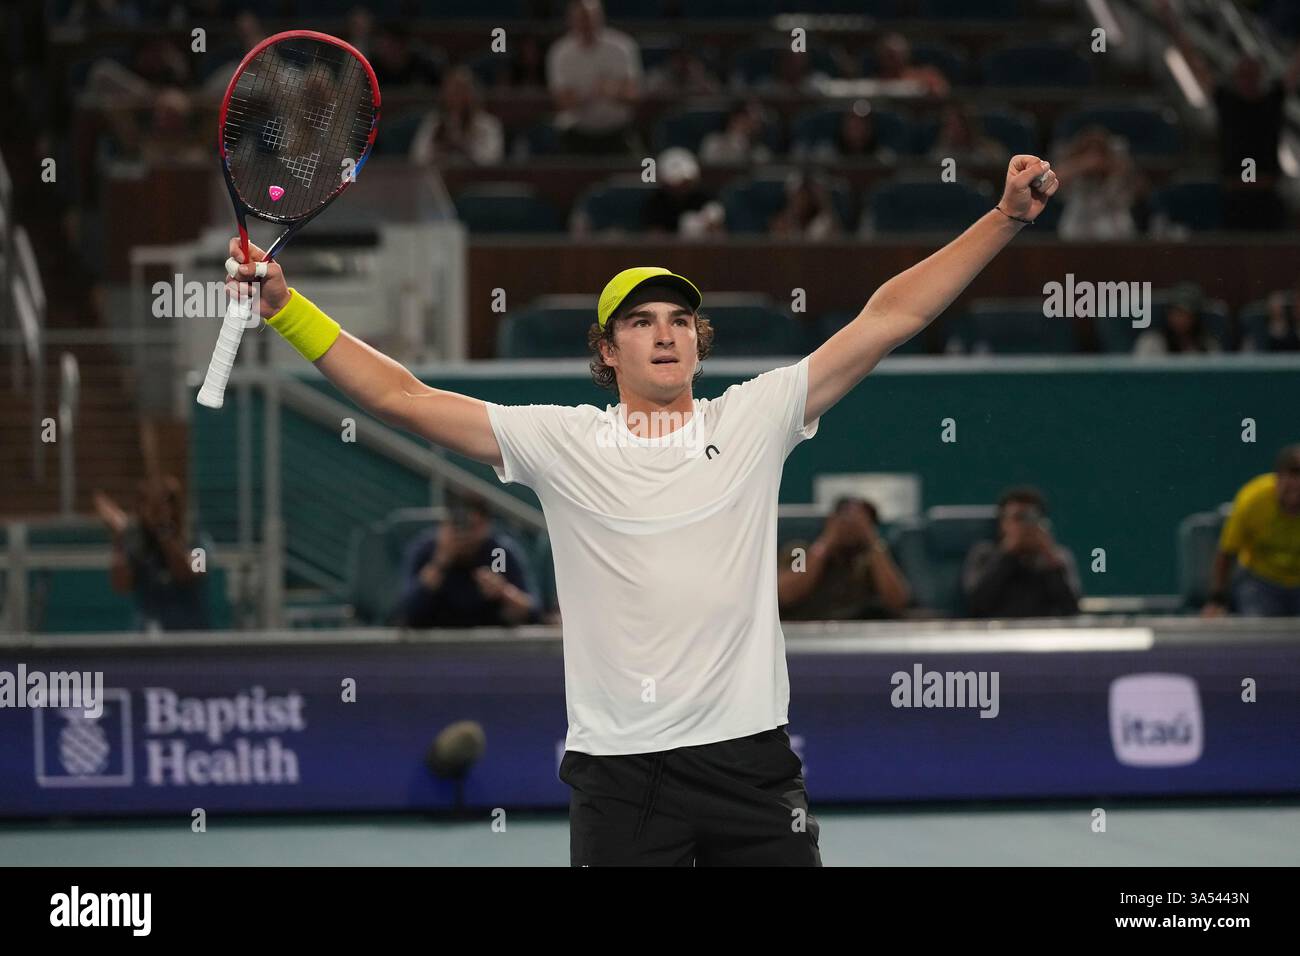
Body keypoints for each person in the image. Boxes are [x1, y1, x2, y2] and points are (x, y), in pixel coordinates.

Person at [222, 151, 1059, 866]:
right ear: (606, 348)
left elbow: (890, 316)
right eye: (641, 321)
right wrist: (287, 310)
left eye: (681, 321)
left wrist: (1003, 217)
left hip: (752, 769)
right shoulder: (562, 442)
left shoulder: (756, 417)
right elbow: (402, 397)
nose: (666, 334)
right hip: (622, 777)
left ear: (699, 341)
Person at [1157, 0, 1300, 230]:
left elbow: (1294, 70)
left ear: (1261, 76)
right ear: (1236, 78)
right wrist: (1172, 25)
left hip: (1266, 194)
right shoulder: (1227, 102)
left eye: (1252, 74)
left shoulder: (1272, 101)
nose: (1247, 80)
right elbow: (1195, 64)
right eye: (1243, 74)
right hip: (1235, 195)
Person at [395, 493, 539, 628]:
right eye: (456, 525)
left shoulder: (499, 553)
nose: (463, 535)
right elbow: (407, 613)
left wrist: (503, 592)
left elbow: (532, 612)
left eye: (471, 526)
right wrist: (440, 562)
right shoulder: (425, 551)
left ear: (485, 525)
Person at [93, 477, 210, 632]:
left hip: (189, 635)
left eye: (166, 503)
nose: (155, 511)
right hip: (147, 635)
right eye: (146, 503)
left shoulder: (196, 538)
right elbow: (120, 585)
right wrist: (119, 539)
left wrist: (163, 531)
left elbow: (193, 572)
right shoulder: (135, 540)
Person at [1202, 445, 1300, 617]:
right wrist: (1216, 600)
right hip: (1261, 584)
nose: (1297, 485)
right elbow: (1227, 553)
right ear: (1277, 477)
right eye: (1292, 475)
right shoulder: (1252, 500)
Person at [777, 497, 911, 620]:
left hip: (854, 635)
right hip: (804, 631)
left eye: (864, 522)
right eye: (846, 519)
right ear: (831, 520)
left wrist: (871, 540)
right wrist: (827, 541)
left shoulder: (875, 559)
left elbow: (898, 601)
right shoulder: (799, 551)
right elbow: (785, 594)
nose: (853, 527)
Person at [962, 487, 1081, 618]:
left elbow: (1071, 609)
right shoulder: (984, 554)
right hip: (995, 633)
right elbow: (975, 605)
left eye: (1031, 518)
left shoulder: (1057, 557)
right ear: (1003, 523)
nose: (1025, 526)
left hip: (1044, 633)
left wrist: (1050, 559)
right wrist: (1006, 555)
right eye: (1018, 518)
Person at [546, 0, 642, 155]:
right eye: (581, 18)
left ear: (600, 17)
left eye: (590, 18)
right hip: (577, 134)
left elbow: (633, 95)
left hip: (619, 132)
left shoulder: (623, 47)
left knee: (638, 174)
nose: (586, 24)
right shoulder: (559, 52)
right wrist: (593, 92)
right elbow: (562, 102)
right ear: (571, 20)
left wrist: (612, 91)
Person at [1053, 126, 1141, 240]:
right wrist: (1082, 164)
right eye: (1088, 151)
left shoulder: (1119, 169)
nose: (1093, 157)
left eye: (1099, 151)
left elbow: (1138, 187)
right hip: (1075, 235)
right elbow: (1055, 178)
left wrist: (1107, 165)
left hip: (1116, 236)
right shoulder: (1074, 171)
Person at [411, 66, 504, 165]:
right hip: (438, 175)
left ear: (472, 94)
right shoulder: (434, 121)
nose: (456, 96)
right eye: (452, 91)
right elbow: (417, 157)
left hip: (475, 177)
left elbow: (493, 160)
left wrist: (465, 147)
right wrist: (439, 149)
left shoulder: (488, 124)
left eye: (461, 90)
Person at [640, 147, 724, 236]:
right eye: (677, 182)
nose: (682, 187)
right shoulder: (655, 203)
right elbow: (653, 237)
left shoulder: (706, 198)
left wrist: (710, 227)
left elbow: (720, 236)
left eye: (686, 182)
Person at [1134, 284, 1220, 355]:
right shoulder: (1150, 342)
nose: (1181, 319)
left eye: (1187, 314)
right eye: (1176, 312)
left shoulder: (1208, 346)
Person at [769, 169, 842, 240]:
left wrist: (825, 203)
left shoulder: (825, 222)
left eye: (806, 195)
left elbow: (837, 240)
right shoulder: (782, 222)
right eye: (798, 195)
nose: (802, 200)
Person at [699, 99, 772, 165]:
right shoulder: (713, 141)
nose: (751, 126)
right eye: (746, 120)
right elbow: (709, 168)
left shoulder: (761, 152)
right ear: (734, 119)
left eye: (756, 122)